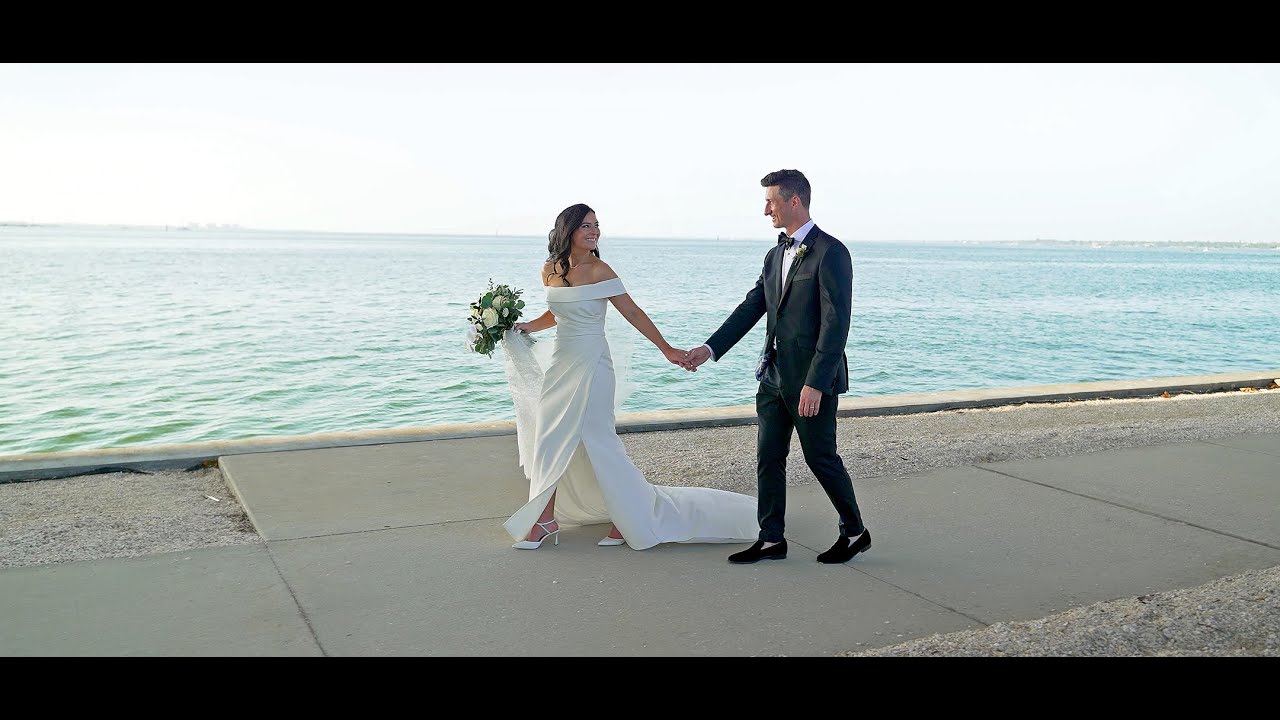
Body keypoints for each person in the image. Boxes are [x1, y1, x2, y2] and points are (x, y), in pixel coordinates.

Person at [502, 203, 758, 550]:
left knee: (598, 441)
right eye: (585, 226)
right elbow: (560, 309)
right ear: (568, 231)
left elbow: (633, 313)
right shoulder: (550, 269)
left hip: (593, 364)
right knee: (548, 439)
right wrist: (528, 325)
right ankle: (544, 521)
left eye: (596, 225)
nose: (593, 231)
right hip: (562, 365)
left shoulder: (601, 270)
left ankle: (629, 518)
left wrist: (667, 349)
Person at [682, 170, 870, 564]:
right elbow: (753, 306)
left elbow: (837, 323)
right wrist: (710, 348)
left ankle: (854, 531)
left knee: (821, 458)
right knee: (768, 457)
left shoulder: (831, 252)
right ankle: (771, 539)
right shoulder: (774, 254)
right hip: (772, 375)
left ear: (794, 201)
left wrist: (816, 383)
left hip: (811, 380)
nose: (766, 209)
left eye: (772, 201)